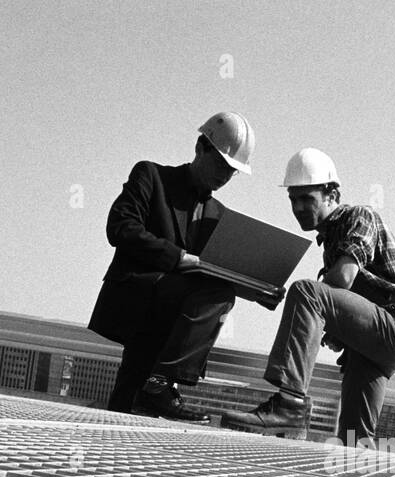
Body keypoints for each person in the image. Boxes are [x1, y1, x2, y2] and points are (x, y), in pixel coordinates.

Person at [221, 148, 395, 442]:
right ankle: (349, 468)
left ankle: (290, 404)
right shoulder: (331, 244)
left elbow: (342, 279)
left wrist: (308, 308)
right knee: (354, 442)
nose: (298, 207)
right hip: (371, 342)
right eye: (293, 199)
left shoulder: (359, 216)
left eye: (307, 198)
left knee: (307, 292)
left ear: (332, 195)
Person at [88, 112, 272, 423]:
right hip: (137, 295)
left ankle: (156, 388)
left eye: (232, 172)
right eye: (221, 166)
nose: (224, 177)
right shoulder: (151, 176)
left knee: (128, 403)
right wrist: (177, 257)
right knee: (218, 295)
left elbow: (214, 272)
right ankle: (160, 386)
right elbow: (120, 228)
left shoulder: (218, 215)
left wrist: (257, 291)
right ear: (200, 148)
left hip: (175, 318)